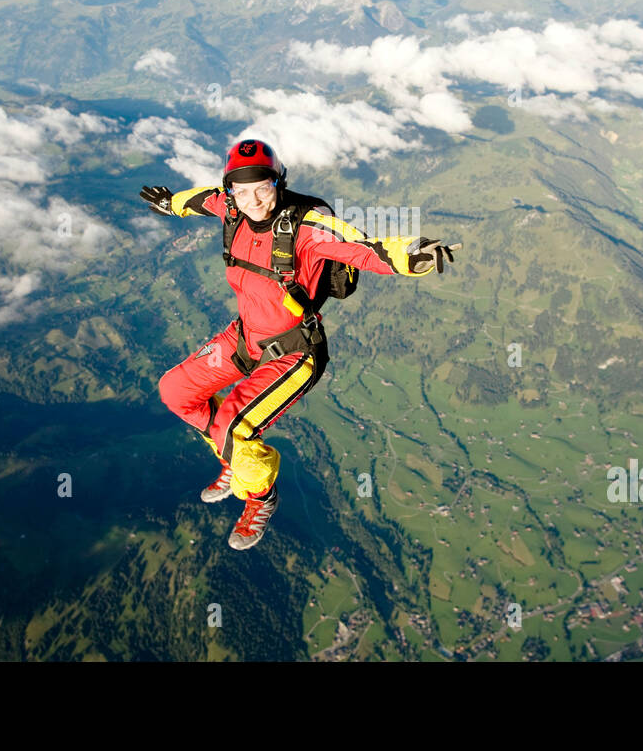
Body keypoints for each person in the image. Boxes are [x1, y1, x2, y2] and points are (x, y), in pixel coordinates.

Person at [141, 138, 460, 550]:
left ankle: (259, 496)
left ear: (279, 182)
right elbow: (203, 199)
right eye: (242, 189)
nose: (253, 199)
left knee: (233, 427)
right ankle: (233, 457)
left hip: (293, 351)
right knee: (176, 390)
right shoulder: (232, 207)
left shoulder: (306, 225)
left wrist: (409, 256)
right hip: (245, 337)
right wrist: (172, 204)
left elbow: (363, 248)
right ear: (231, 190)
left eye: (263, 187)